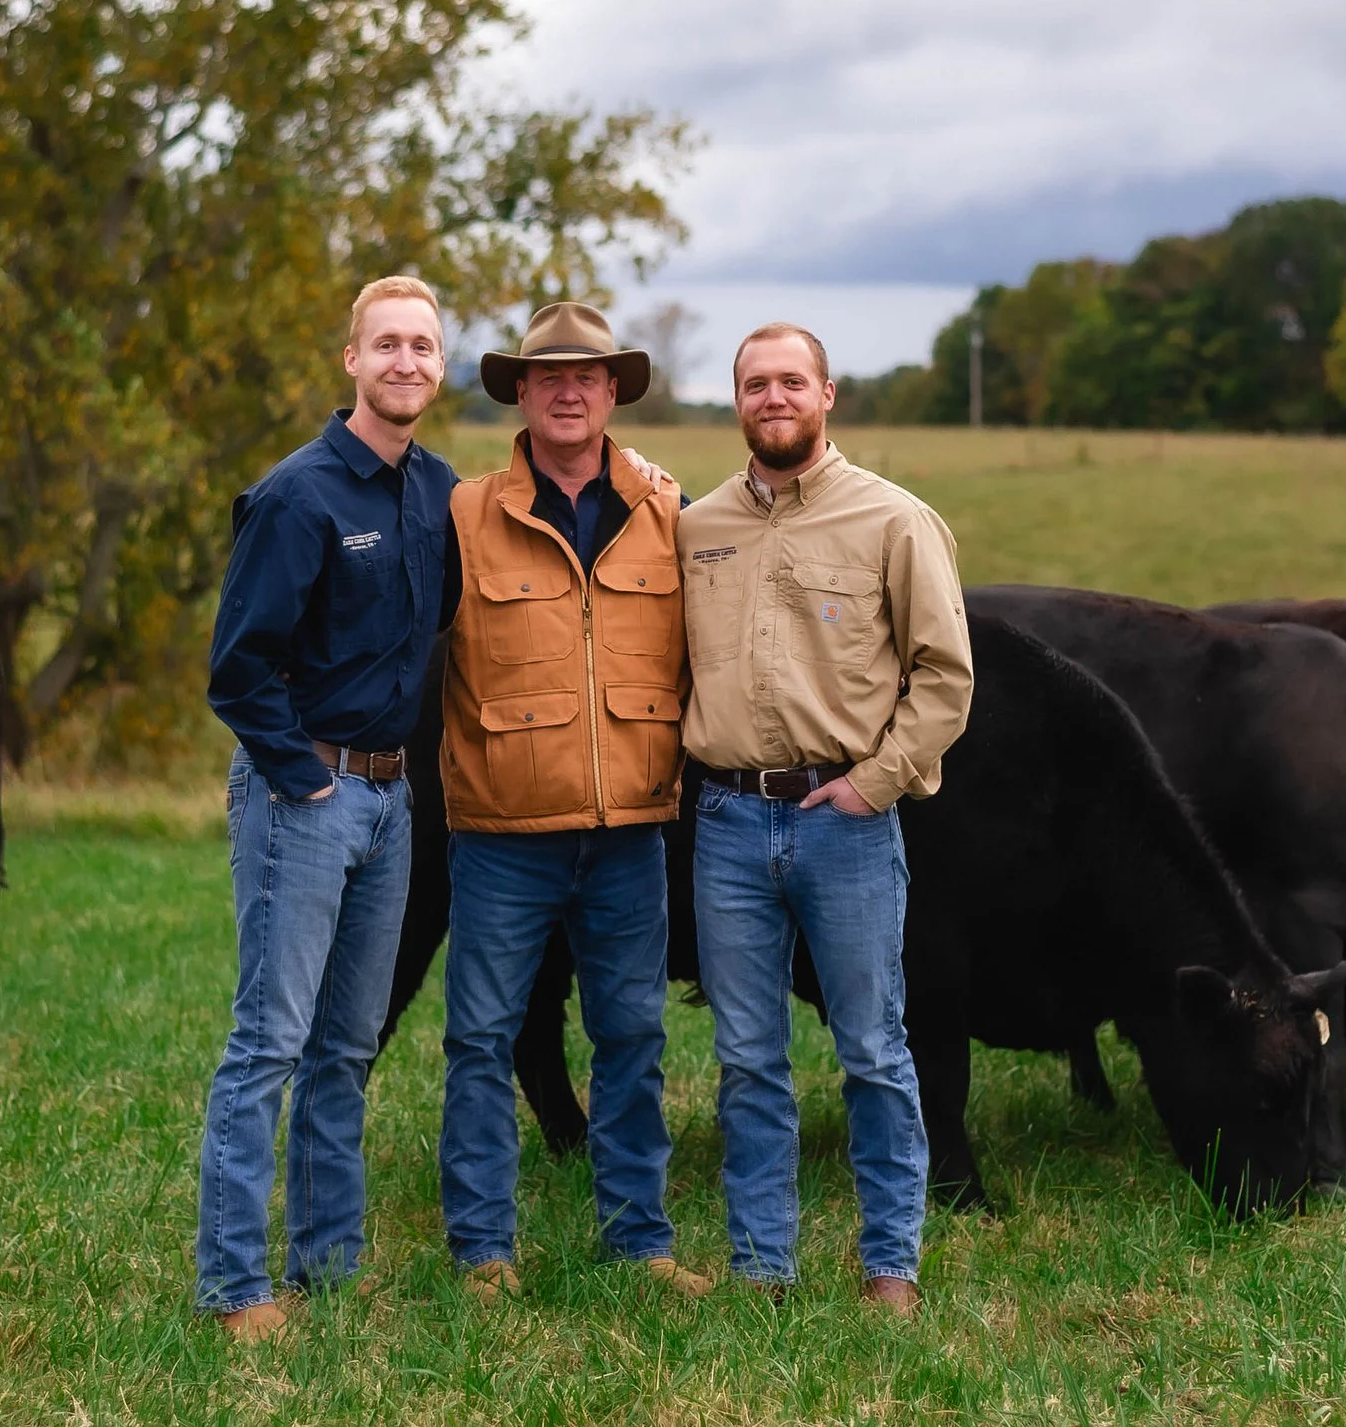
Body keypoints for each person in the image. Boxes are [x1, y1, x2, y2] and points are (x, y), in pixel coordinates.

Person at [677, 321, 974, 1315]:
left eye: (790, 381)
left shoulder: (895, 520)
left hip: (844, 821)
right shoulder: (697, 525)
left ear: (826, 394)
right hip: (725, 822)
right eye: (755, 382)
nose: (773, 397)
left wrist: (873, 782)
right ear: (737, 401)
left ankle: (890, 1265)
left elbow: (944, 678)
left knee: (873, 1049)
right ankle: (763, 1263)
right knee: (748, 1057)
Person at [196, 275, 456, 1341]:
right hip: (304, 793)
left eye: (423, 346)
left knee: (348, 1047)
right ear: (350, 360)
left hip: (394, 801)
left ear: (441, 367)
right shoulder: (298, 496)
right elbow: (237, 667)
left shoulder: (437, 490)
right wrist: (303, 776)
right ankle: (234, 1287)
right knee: (270, 1039)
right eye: (386, 343)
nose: (405, 361)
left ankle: (329, 1266)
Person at [436, 301, 711, 1302]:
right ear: (517, 389)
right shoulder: (463, 513)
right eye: (545, 374)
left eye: (586, 375)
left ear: (613, 390)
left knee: (633, 1037)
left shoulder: (667, 509)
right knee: (478, 1039)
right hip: (502, 834)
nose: (566, 390)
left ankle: (639, 1242)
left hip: (633, 832)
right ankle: (481, 1252)